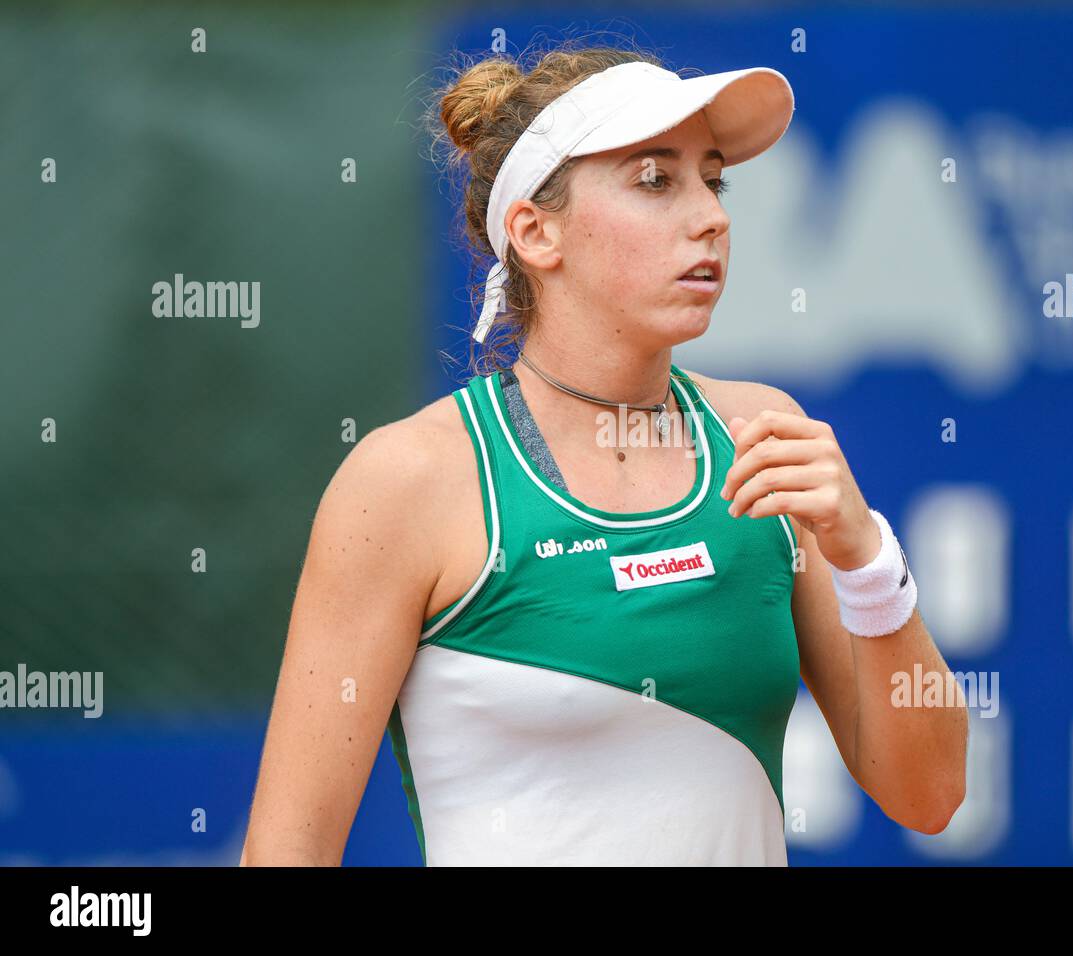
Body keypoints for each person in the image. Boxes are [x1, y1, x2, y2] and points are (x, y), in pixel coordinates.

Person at [240, 42, 967, 867]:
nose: (713, 216)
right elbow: (286, 851)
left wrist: (865, 558)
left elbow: (931, 796)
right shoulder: (405, 481)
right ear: (536, 232)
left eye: (713, 179)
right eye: (657, 180)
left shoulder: (764, 437)